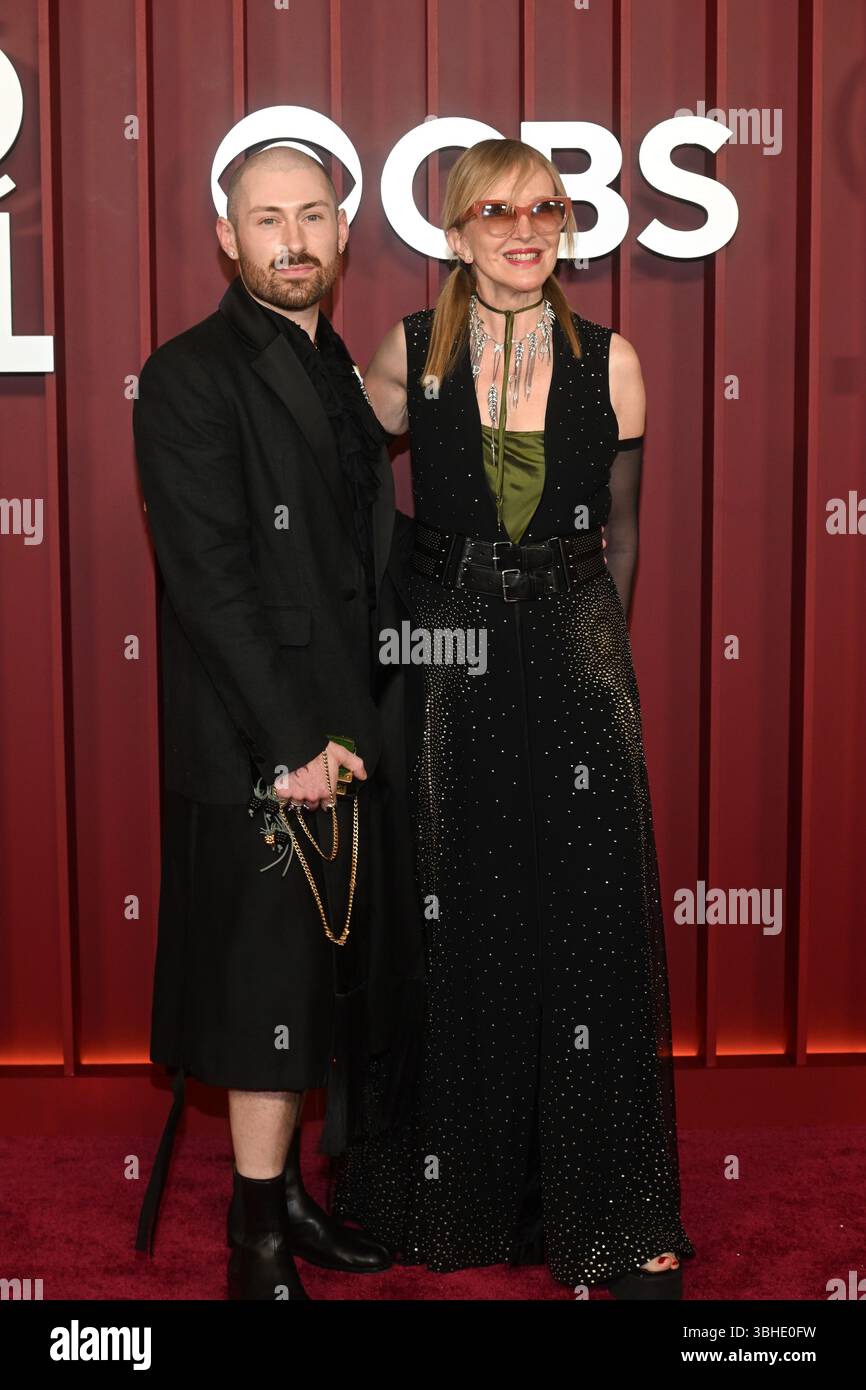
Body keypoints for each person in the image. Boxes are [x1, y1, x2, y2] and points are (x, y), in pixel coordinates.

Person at [330, 138, 696, 1299]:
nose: (522, 228)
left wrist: (595, 653)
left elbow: (622, 532)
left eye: (543, 207)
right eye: (494, 210)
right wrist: (402, 618)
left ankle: (616, 1207)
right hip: (444, 642)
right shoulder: (403, 357)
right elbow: (341, 496)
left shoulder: (611, 361)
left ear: (565, 224)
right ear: (454, 230)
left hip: (573, 641)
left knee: (589, 916)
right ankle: (448, 1192)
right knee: (454, 905)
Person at [132, 144, 424, 1301]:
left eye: (311, 216)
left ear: (342, 233)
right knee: (263, 995)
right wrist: (291, 742)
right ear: (227, 236)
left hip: (345, 728)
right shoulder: (189, 374)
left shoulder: (337, 366)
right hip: (262, 744)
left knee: (310, 989)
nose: (291, 239)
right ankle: (251, 1246)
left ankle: (288, 1201)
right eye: (267, 219)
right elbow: (209, 582)